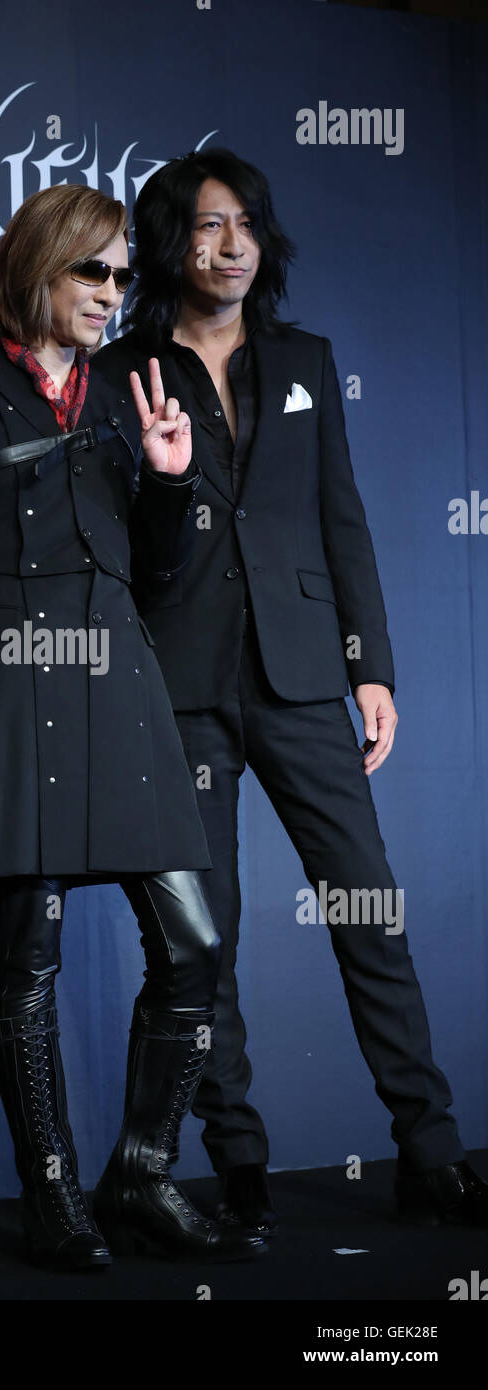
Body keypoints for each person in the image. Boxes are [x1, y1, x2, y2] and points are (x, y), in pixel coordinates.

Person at [96, 148, 488, 1238]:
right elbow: (119, 533)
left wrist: (369, 666)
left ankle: (429, 1148)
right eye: (207, 225)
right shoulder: (121, 368)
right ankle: (238, 1163)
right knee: (199, 940)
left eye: (247, 226)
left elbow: (339, 519)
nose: (229, 245)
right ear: (169, 240)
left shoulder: (304, 356)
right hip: (177, 682)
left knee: (368, 911)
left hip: (305, 674)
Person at [0, 184, 267, 1269]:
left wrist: (166, 484)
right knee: (28, 956)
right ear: (37, 268)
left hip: (119, 687)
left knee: (195, 941)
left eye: (120, 275)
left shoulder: (125, 396)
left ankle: (140, 1172)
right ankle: (53, 1191)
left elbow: (153, 571)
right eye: (92, 273)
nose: (113, 294)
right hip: (11, 688)